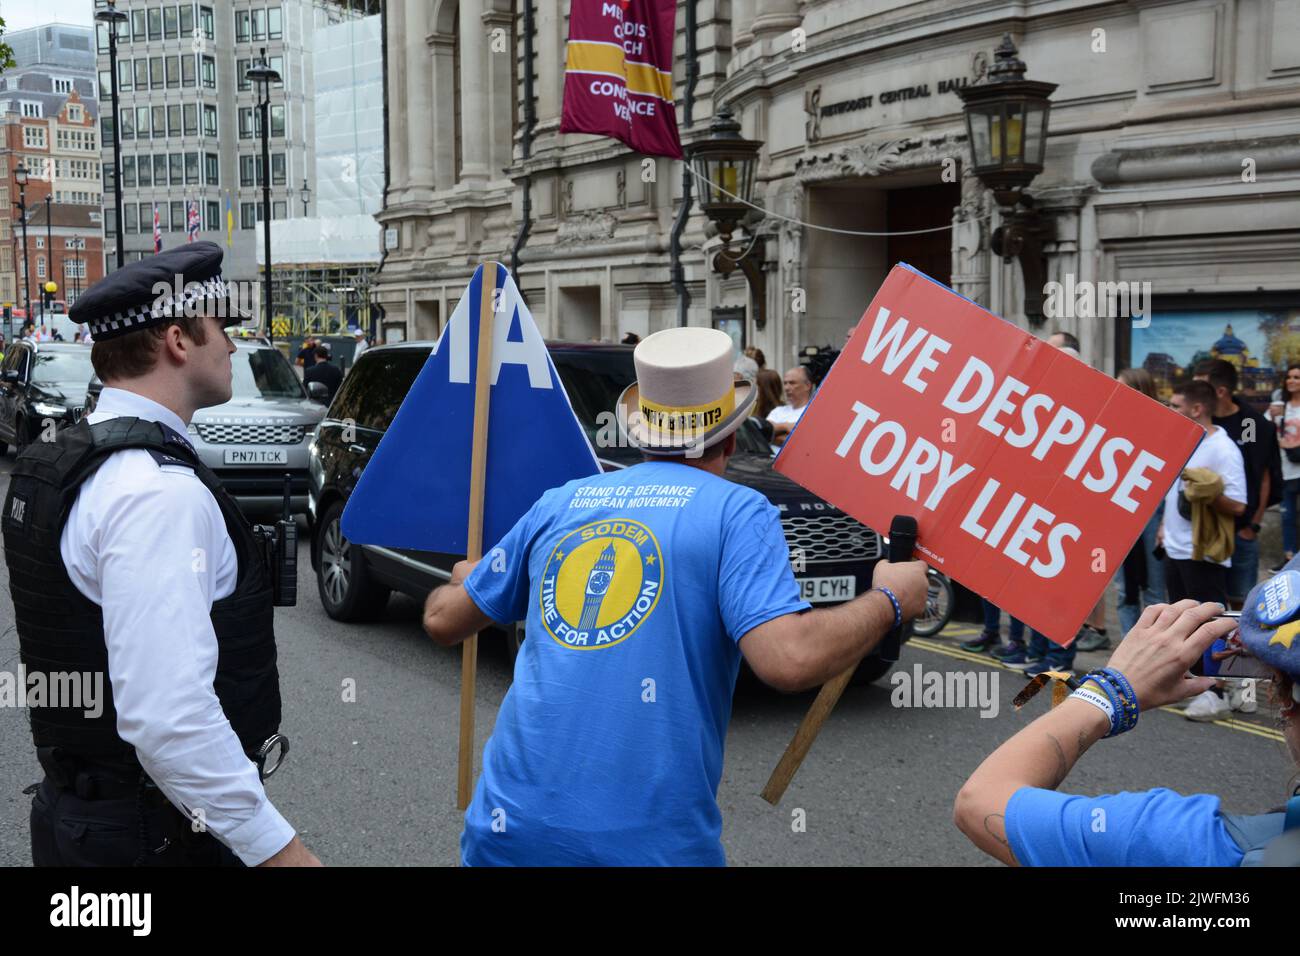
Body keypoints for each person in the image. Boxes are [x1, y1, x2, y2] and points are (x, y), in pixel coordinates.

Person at [421, 327, 929, 865]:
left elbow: (440, 621)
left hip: (508, 833)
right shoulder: (737, 510)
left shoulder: (562, 502)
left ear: (641, 435)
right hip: (646, 850)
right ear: (730, 440)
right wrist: (889, 600)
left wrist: (465, 582)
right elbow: (789, 658)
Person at [2, 242, 319, 867]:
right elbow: (169, 719)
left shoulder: (66, 463)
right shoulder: (157, 491)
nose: (231, 345)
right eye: (220, 327)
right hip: (154, 836)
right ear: (178, 339)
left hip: (85, 819)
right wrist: (283, 854)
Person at [955, 599, 1300, 866]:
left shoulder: (1174, 842)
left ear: (1285, 700)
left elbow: (980, 802)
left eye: (1280, 678)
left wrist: (1109, 690)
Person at [1194, 359, 1279, 611]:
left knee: (1241, 603)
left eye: (1202, 387)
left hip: (1240, 529)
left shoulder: (1250, 424)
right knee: (1206, 603)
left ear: (1220, 391)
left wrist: (1253, 525)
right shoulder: (1196, 423)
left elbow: (1262, 476)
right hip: (1202, 530)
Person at [1108, 368, 1167, 637]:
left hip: (1153, 513)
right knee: (1124, 590)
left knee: (1154, 591)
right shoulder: (1112, 423)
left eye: (1124, 387)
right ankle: (1127, 656)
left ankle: (1151, 654)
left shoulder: (1165, 427)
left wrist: (1164, 524)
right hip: (1118, 513)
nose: (1118, 392)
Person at [1273, 364, 1300, 572]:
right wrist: (1274, 419)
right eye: (1289, 377)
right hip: (1285, 470)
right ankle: (1289, 558)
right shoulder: (1280, 407)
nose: (1292, 381)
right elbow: (1254, 429)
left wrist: (1294, 445)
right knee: (1287, 517)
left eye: (1297, 377)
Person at [768, 365, 813, 447]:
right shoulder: (777, 411)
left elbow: (806, 441)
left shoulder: (813, 412)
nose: (786, 388)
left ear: (808, 386)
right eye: (785, 383)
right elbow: (764, 431)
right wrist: (786, 426)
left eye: (792, 383)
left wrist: (775, 434)